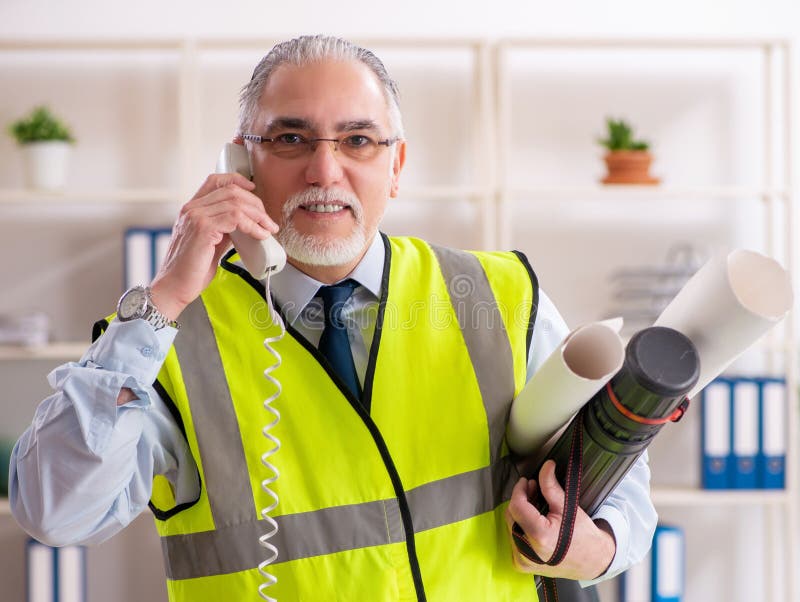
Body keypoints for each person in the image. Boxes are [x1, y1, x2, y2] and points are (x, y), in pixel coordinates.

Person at [10, 35, 656, 601]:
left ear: (395, 165)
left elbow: (614, 477)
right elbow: (57, 515)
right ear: (240, 166)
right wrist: (165, 297)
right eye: (290, 138)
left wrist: (597, 550)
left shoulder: (499, 294)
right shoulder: (163, 340)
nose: (325, 170)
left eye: (358, 140)